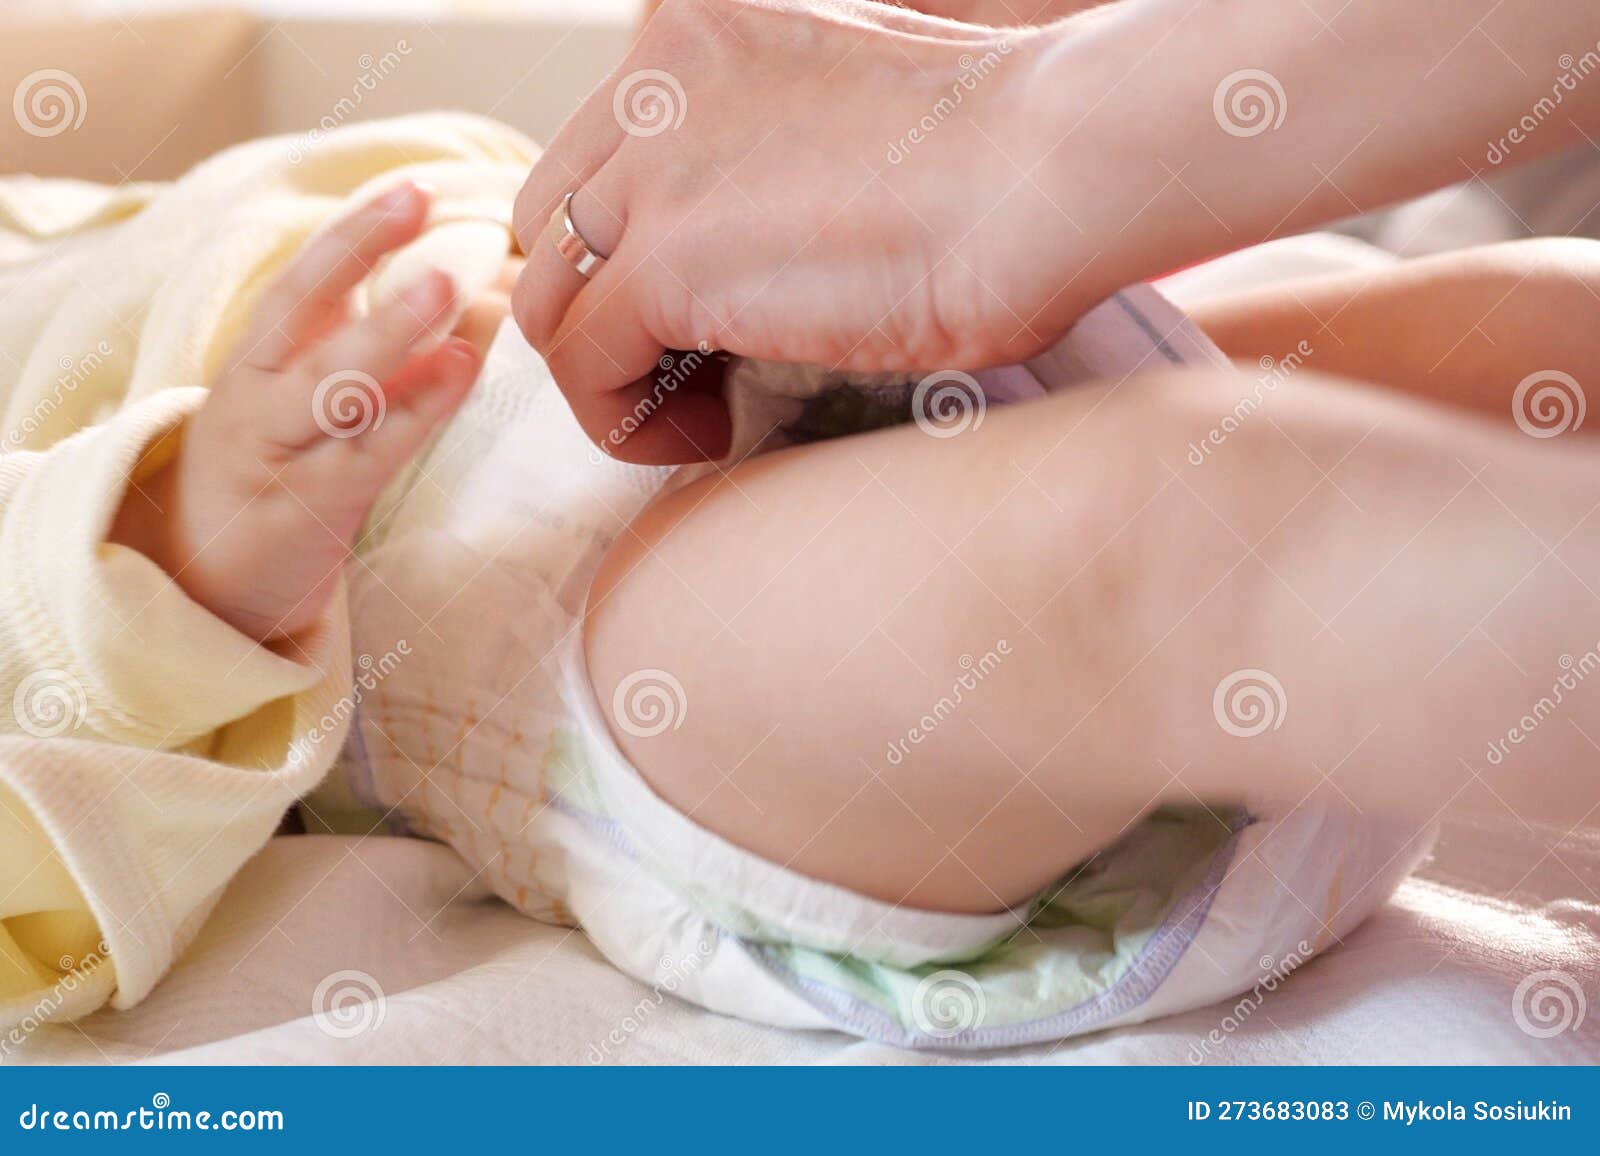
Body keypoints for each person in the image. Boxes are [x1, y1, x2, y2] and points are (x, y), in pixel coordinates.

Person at [2, 103, 1597, 1041]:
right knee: (1168, 538)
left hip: (715, 309)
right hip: (498, 626)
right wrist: (194, 545)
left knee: (1520, 327)